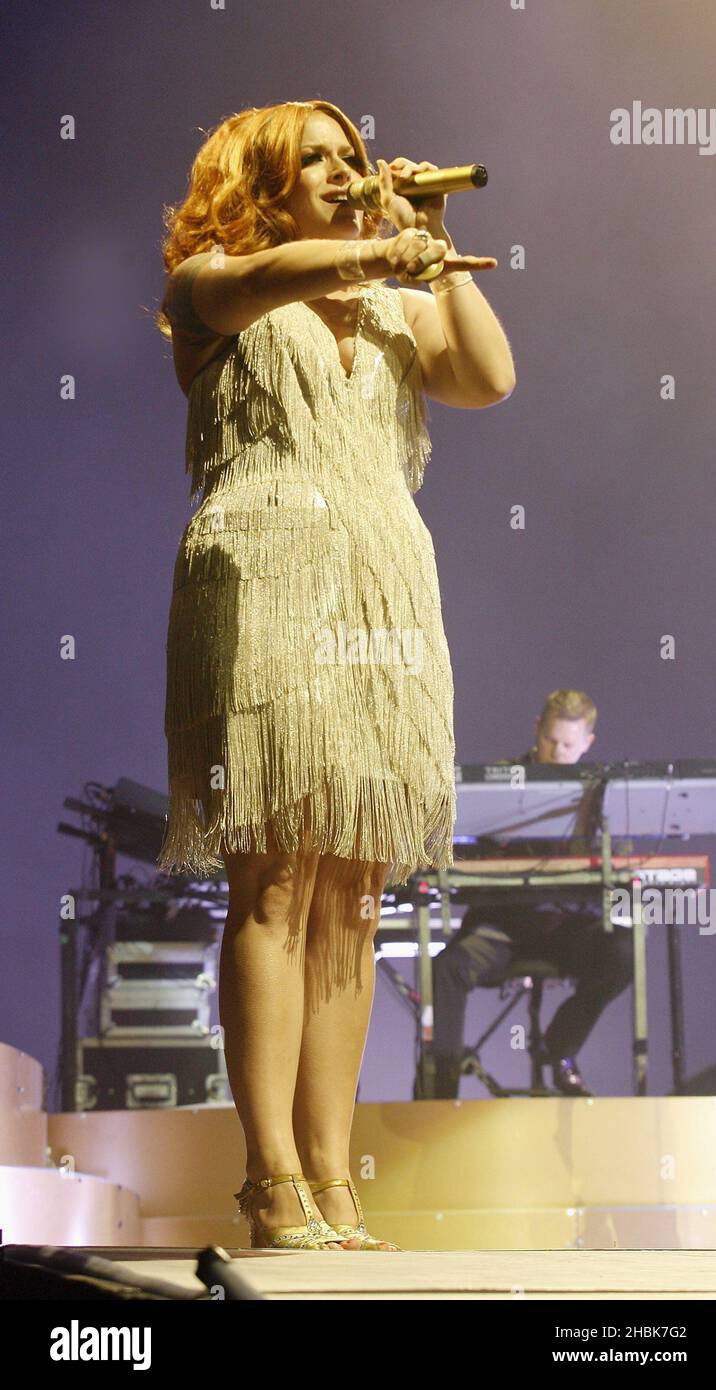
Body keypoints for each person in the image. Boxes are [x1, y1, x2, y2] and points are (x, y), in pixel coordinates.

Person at [155, 99, 515, 1250]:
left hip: (383, 587)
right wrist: (376, 241)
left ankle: (330, 1172)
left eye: (348, 158)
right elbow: (262, 279)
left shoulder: (392, 302)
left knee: (353, 901)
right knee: (272, 878)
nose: (340, 173)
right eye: (311, 160)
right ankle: (267, 1177)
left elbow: (487, 377)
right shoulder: (211, 283)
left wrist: (435, 240)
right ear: (259, 179)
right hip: (264, 568)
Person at [422, 690, 634, 1100]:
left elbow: (613, 862)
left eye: (568, 745)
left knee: (624, 952)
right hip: (500, 931)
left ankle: (559, 1051)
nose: (557, 752)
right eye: (550, 740)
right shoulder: (498, 782)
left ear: (587, 743)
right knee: (447, 967)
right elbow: (460, 846)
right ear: (537, 728)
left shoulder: (597, 796)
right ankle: (440, 1090)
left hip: (565, 929)